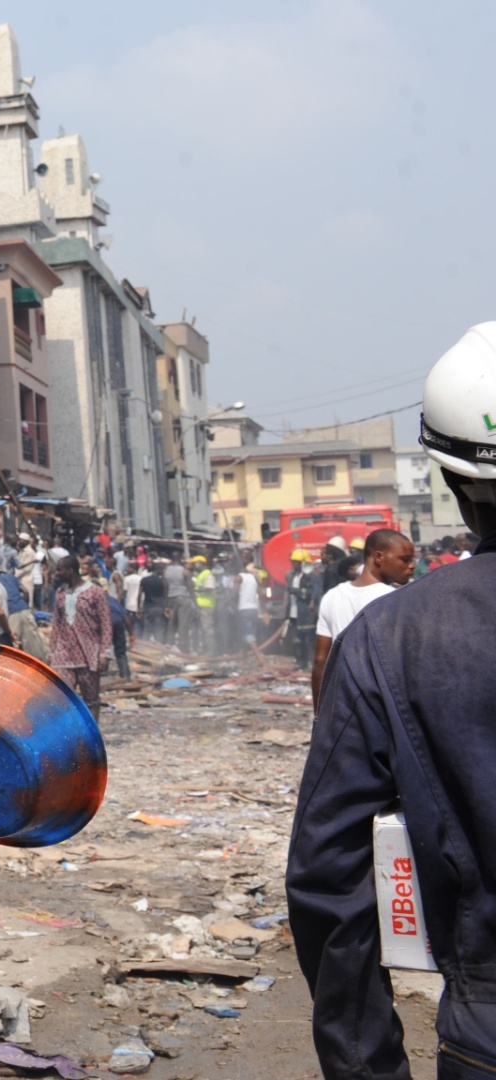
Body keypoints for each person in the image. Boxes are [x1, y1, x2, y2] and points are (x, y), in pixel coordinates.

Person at [288, 323, 496, 1077]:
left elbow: (328, 874)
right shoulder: (368, 620)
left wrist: (367, 1065)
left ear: (450, 481)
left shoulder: (393, 636)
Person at [312, 528, 416, 711]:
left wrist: (319, 715)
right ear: (378, 557)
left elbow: (320, 661)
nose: (412, 565)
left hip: (341, 704)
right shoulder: (395, 599)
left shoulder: (332, 596)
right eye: (405, 559)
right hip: (380, 706)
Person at [49, 555, 110, 709]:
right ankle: (68, 733)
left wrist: (104, 653)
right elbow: (57, 622)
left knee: (91, 700)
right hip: (64, 653)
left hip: (88, 653)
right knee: (63, 698)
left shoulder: (95, 592)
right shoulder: (60, 593)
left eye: (59, 570)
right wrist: (52, 650)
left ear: (70, 570)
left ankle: (92, 733)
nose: (57, 574)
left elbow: (106, 624)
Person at [0, 563, 48, 660]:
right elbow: (25, 591)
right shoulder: (10, 577)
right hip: (24, 610)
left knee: (14, 645)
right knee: (34, 643)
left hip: (11, 614)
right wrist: (25, 605)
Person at [286, 550, 318, 670]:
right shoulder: (293, 575)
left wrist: (294, 590)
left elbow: (310, 593)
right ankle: (300, 662)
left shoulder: (311, 576)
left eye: (297, 562)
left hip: (305, 612)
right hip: (294, 612)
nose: (294, 564)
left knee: (309, 639)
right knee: (297, 639)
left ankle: (310, 663)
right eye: (293, 562)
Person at [162, 556, 194, 651]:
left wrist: (166, 603)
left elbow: (165, 586)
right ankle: (183, 646)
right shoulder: (184, 571)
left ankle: (170, 643)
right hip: (183, 598)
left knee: (172, 622)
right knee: (183, 623)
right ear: (180, 561)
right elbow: (190, 586)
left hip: (171, 598)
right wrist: (194, 601)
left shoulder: (166, 571)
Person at [234, 558, 263, 658]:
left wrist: (224, 603)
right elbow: (260, 593)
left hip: (244, 609)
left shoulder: (239, 578)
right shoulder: (253, 577)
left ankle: (259, 656)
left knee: (248, 633)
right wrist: (264, 611)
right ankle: (243, 655)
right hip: (254, 609)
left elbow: (234, 593)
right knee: (248, 633)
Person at [139, 558, 168, 643]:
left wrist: (138, 607)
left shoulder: (145, 580)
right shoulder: (162, 581)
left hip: (147, 607)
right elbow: (165, 594)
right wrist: (165, 607)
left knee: (147, 629)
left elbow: (139, 594)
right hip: (159, 607)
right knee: (159, 629)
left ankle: (144, 648)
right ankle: (159, 648)